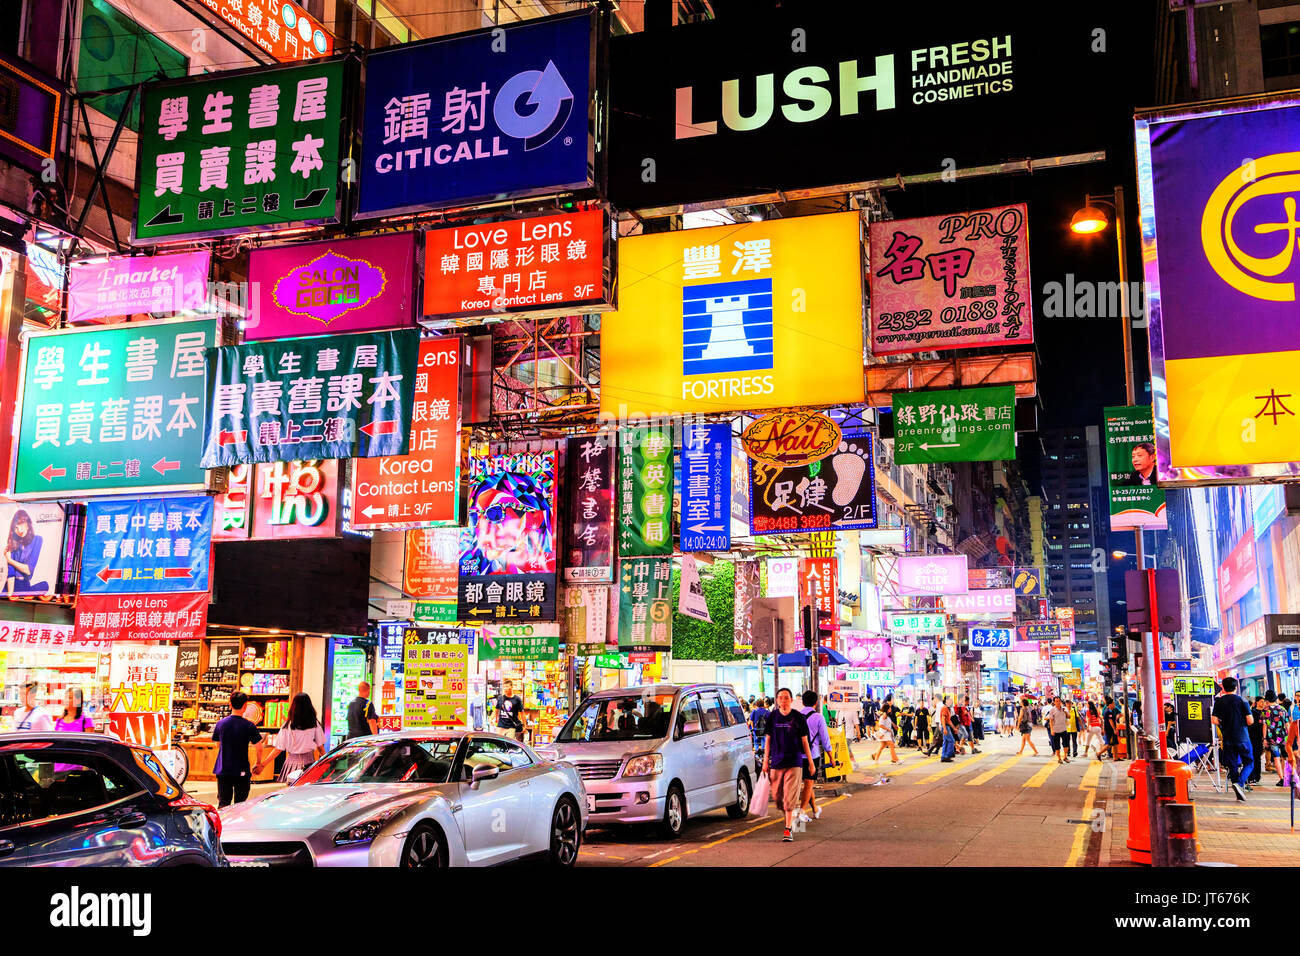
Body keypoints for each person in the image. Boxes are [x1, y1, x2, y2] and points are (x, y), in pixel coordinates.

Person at [762, 688, 816, 843]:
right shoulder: (772, 716)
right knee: (778, 797)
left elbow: (805, 742)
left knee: (788, 797)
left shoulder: (798, 717)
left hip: (794, 761)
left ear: (791, 700)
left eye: (786, 698)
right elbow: (768, 740)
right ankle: (788, 813)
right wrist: (766, 761)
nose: (783, 701)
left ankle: (788, 829)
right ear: (777, 700)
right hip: (777, 762)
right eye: (780, 698)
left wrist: (810, 763)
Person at [254, 693, 327, 783]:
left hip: (290, 765)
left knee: (290, 793)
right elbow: (320, 747)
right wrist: (328, 762)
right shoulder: (314, 724)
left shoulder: (287, 725)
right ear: (309, 707)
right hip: (309, 764)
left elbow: (278, 749)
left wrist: (263, 765)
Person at [211, 692, 264, 808]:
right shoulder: (249, 725)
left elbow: (217, 744)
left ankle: (223, 825)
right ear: (245, 706)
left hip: (223, 769)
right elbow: (259, 747)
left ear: (230, 704)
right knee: (240, 804)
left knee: (223, 802)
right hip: (242, 769)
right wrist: (258, 763)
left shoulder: (221, 724)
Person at [1211, 676, 1255, 801]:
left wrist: (1224, 724)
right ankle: (1240, 784)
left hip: (1227, 738)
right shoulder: (1242, 700)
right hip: (1242, 737)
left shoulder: (1219, 701)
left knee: (1233, 764)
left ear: (1223, 688)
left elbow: (1214, 720)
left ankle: (1238, 791)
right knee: (1249, 762)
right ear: (1236, 687)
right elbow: (1250, 720)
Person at [798, 690, 833, 823]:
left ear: (802, 702)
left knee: (808, 783)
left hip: (797, 755)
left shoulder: (796, 716)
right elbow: (825, 740)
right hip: (812, 755)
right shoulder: (818, 717)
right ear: (816, 703)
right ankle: (801, 811)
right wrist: (831, 757)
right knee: (808, 783)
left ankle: (815, 809)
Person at [3, 509, 46, 596]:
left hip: (24, 584)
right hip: (11, 584)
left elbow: (28, 570)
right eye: (16, 527)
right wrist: (10, 594)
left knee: (45, 585)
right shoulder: (13, 543)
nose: (19, 530)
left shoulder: (37, 539)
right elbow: (10, 571)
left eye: (21, 524)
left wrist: (10, 560)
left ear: (28, 523)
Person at [1264, 690, 1290, 786]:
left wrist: (1264, 738)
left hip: (1272, 738)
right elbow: (1287, 724)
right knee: (1285, 757)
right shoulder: (1282, 709)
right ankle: (1287, 777)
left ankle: (1282, 778)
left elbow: (1264, 726)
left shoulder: (1265, 710)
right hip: (1284, 737)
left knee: (1276, 758)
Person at [872, 700, 900, 766]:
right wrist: (888, 729)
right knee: (891, 745)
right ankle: (895, 760)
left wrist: (894, 725)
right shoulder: (884, 715)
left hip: (885, 733)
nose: (890, 709)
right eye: (889, 708)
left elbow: (889, 722)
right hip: (885, 733)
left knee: (882, 746)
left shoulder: (886, 715)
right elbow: (880, 724)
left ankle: (876, 760)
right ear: (887, 709)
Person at [1248, 696, 1267, 786]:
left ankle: (1256, 776)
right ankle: (1253, 776)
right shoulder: (1253, 712)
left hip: (1260, 737)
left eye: (1264, 702)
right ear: (1257, 702)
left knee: (1257, 757)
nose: (1263, 703)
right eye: (1261, 701)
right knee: (1254, 757)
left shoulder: (1265, 712)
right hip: (1253, 737)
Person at [1048, 696, 1071, 764]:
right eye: (1056, 701)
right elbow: (1051, 720)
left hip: (1064, 729)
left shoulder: (1064, 708)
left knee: (1066, 744)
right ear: (1054, 702)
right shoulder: (1052, 710)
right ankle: (1059, 758)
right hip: (1056, 730)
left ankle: (1065, 757)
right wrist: (1052, 729)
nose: (1058, 703)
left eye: (1059, 701)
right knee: (1057, 745)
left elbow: (1069, 716)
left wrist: (1065, 712)